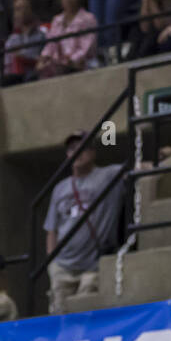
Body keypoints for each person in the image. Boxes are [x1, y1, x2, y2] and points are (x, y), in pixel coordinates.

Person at [44, 129, 126, 314]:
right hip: (63, 265)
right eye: (72, 149)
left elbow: (138, 168)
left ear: (93, 152)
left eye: (82, 148)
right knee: (59, 314)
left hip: (93, 264)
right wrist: (52, 262)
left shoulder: (108, 175)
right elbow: (51, 228)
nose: (77, 153)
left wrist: (164, 155)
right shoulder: (60, 188)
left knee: (86, 312)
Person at [38, 0, 99, 76]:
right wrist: (43, 58)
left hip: (81, 65)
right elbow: (50, 44)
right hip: (59, 66)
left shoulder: (88, 18)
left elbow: (87, 47)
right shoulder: (57, 20)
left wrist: (69, 61)